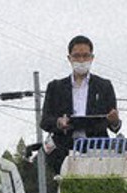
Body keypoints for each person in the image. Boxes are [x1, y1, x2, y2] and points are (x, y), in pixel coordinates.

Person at [40, 35, 122, 175]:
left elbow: (114, 125)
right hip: (64, 150)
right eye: (77, 56)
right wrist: (59, 122)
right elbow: (45, 121)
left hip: (96, 149)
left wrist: (114, 121)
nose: (81, 60)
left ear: (92, 57)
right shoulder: (55, 87)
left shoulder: (104, 86)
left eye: (85, 56)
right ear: (69, 58)